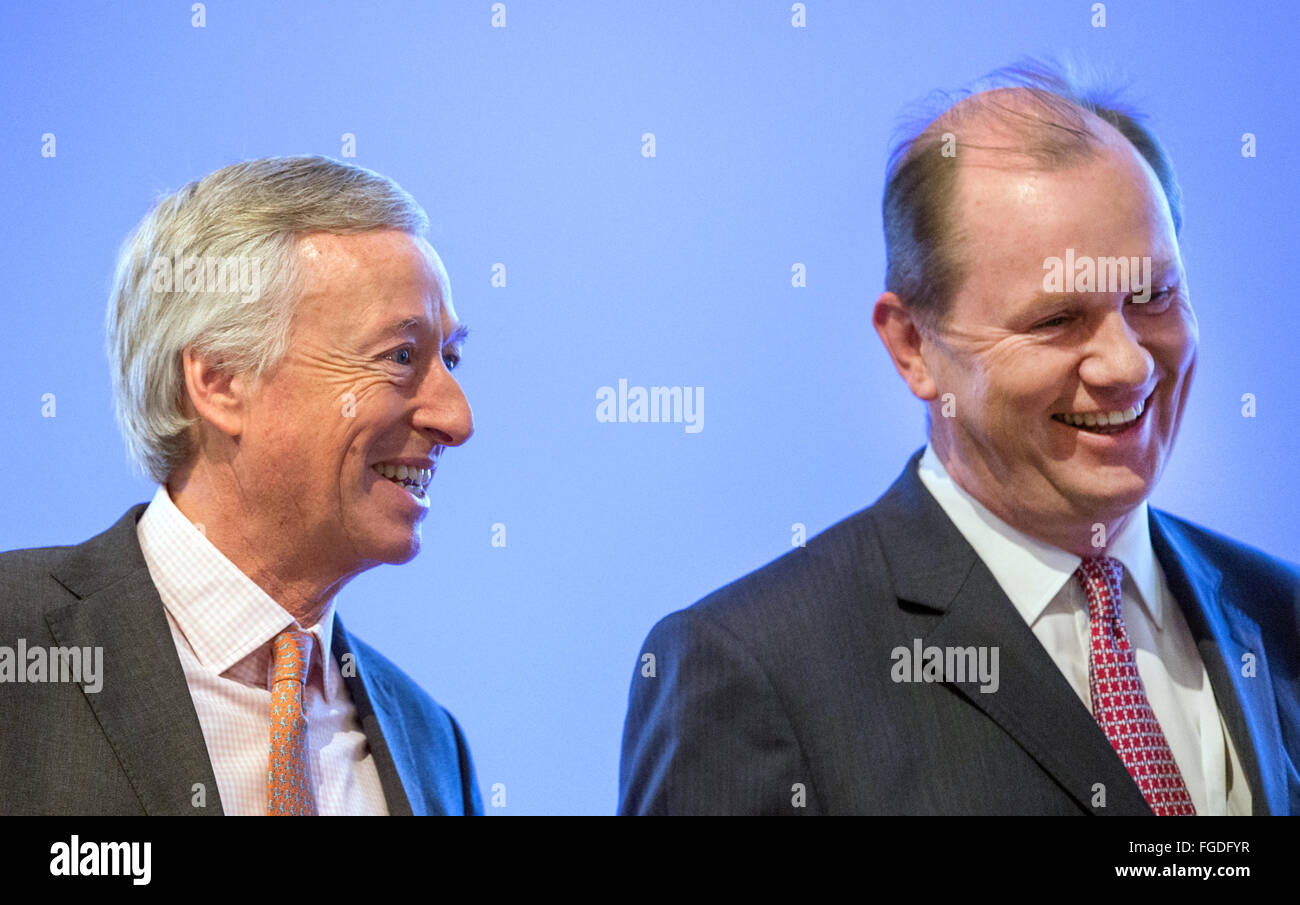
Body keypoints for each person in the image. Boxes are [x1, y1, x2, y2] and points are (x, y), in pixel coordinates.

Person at [618, 62, 1300, 815]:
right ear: (912, 345)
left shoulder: (1279, 618)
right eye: (1057, 320)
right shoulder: (756, 675)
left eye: (1155, 297)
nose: (1128, 364)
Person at [0, 156, 482, 815]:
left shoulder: (432, 744)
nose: (456, 418)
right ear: (221, 380)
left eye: (449, 357)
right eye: (401, 356)